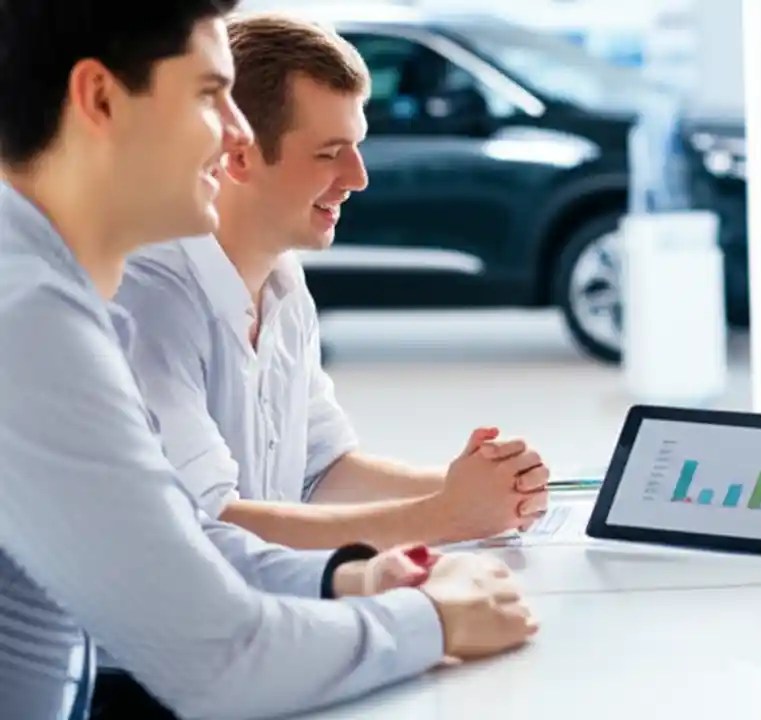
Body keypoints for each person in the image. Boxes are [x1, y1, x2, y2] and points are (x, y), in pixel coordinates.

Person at [0, 3, 535, 718]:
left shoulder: (47, 290)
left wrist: (354, 577)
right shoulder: (27, 316)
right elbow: (221, 659)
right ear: (100, 99)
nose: (237, 135)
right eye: (208, 95)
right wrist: (433, 619)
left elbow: (183, 544)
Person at [113, 13, 550, 551]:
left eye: (357, 146)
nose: (358, 178)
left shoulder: (282, 282)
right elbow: (210, 528)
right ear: (238, 155)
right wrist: (448, 516)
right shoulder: (148, 304)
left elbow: (322, 472)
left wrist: (485, 493)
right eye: (329, 153)